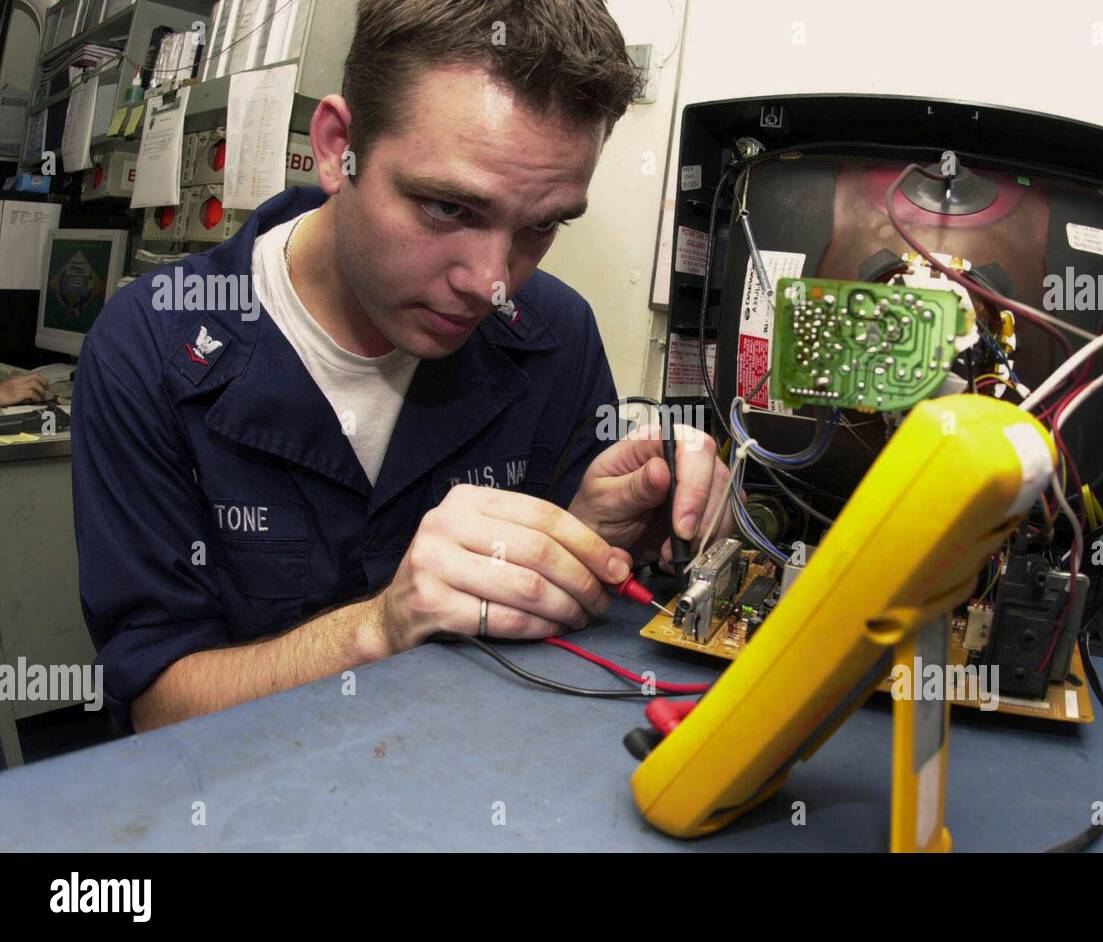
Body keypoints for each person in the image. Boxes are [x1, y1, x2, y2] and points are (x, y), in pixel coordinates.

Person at [72, 0, 732, 733]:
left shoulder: (558, 335)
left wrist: (606, 536)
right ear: (337, 148)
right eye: (448, 208)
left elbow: (571, 626)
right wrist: (379, 627)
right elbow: (157, 707)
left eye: (541, 224)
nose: (493, 283)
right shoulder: (148, 351)